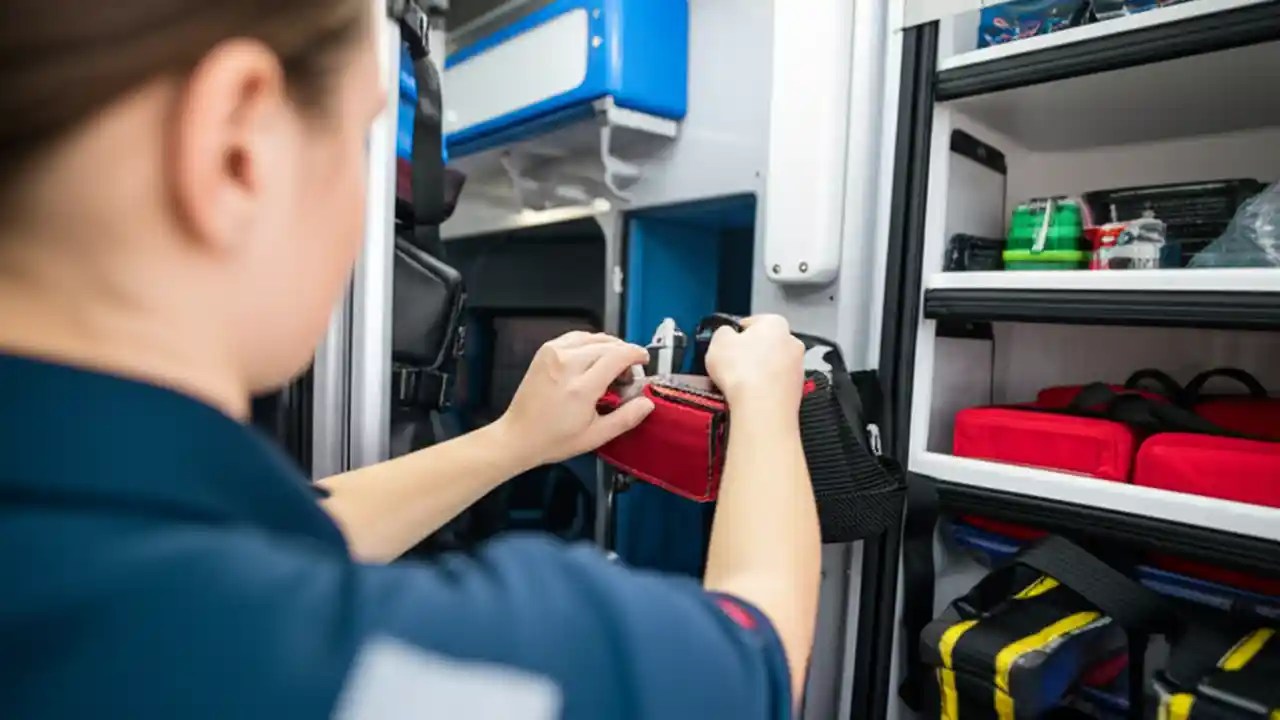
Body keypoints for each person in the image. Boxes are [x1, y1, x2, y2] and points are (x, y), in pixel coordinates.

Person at [0, 2, 823, 718]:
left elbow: (299, 529)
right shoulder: (279, 644)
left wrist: (511, 442)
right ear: (236, 149)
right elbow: (753, 663)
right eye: (362, 149)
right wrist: (764, 407)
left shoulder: (72, 547)